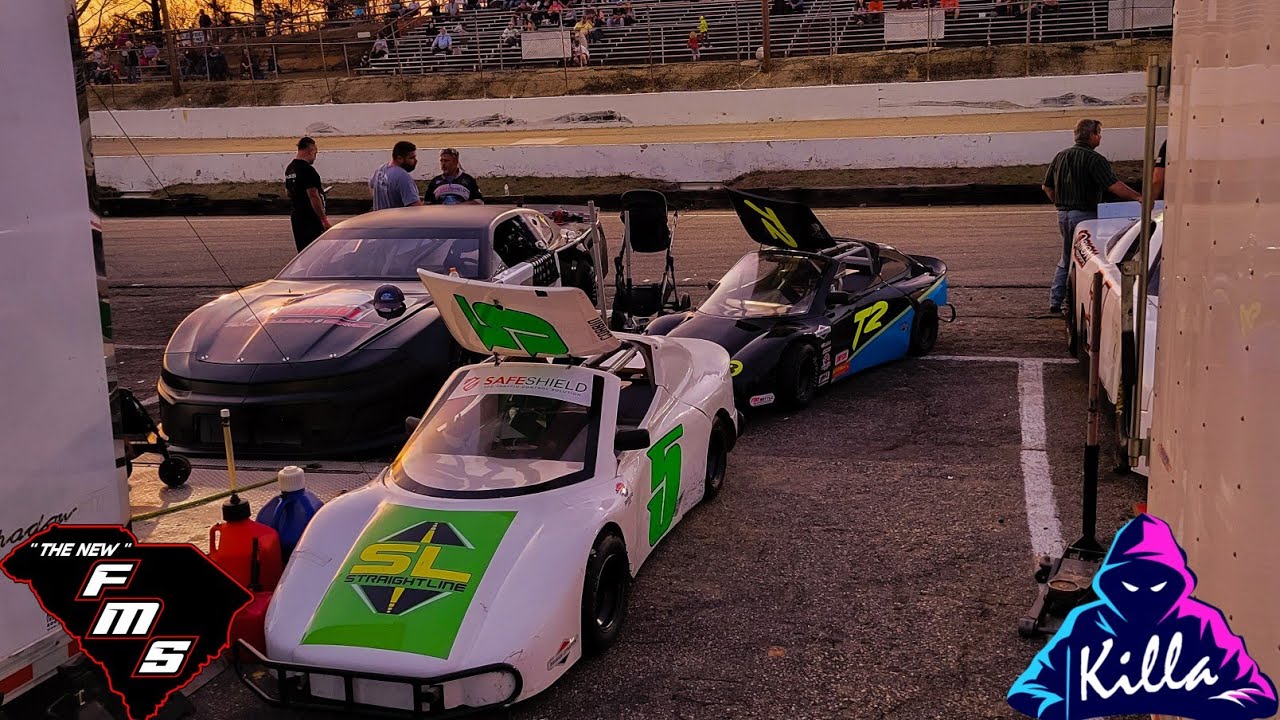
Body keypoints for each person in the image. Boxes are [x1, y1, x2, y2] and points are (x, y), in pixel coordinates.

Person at [1041, 118, 1142, 314]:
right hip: (1085, 216)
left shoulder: (1061, 156)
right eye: (1098, 133)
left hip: (1063, 214)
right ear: (1091, 136)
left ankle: (1056, 299)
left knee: (1066, 257)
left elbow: (1047, 186)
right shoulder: (1095, 159)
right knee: (1084, 260)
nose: (1100, 137)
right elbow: (1113, 185)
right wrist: (1138, 196)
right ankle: (1072, 302)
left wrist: (1060, 204)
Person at [284, 137, 329, 253]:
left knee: (303, 252)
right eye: (315, 153)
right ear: (311, 150)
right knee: (315, 252)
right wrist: (324, 220)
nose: (315, 157)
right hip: (310, 219)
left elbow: (288, 192)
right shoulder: (308, 170)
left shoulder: (290, 169)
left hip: (296, 218)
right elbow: (313, 196)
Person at [369, 141, 423, 210]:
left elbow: (371, 185)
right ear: (399, 158)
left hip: (378, 215)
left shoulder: (380, 169)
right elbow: (416, 207)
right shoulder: (402, 177)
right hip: (396, 216)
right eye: (411, 158)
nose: (415, 161)